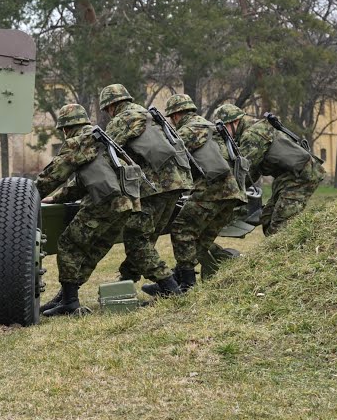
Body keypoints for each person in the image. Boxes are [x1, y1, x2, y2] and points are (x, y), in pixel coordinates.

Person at [36, 103, 143, 317]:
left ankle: (69, 301)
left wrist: (26, 195)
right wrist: (56, 197)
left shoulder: (79, 142)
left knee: (68, 244)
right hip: (127, 203)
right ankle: (66, 296)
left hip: (106, 202)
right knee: (93, 249)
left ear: (66, 128)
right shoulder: (101, 138)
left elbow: (54, 174)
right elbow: (81, 183)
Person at [98, 84, 194, 301]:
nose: (108, 114)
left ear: (112, 106)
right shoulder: (149, 115)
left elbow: (104, 153)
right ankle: (124, 284)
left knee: (136, 239)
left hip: (153, 187)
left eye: (107, 110)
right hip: (175, 184)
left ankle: (170, 288)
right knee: (146, 237)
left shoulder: (123, 119)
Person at [154, 94, 248, 294]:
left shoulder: (190, 130)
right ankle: (178, 277)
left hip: (213, 190)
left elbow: (166, 157)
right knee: (199, 239)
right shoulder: (210, 127)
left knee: (181, 230)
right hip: (233, 193)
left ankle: (187, 284)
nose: (172, 121)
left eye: (172, 118)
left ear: (177, 115)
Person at [214, 104, 325, 237]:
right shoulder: (250, 131)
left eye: (223, 128)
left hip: (302, 176)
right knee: (267, 220)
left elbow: (245, 171)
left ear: (235, 122)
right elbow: (252, 173)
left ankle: (303, 247)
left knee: (280, 226)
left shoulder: (252, 135)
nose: (223, 133)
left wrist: (224, 193)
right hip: (286, 177)